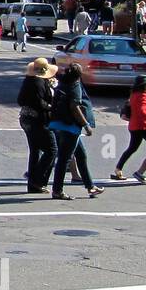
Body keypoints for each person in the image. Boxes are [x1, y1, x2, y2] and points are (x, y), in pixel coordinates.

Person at [48, 64, 104, 200]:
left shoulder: (62, 83)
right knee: (64, 159)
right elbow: (74, 106)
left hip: (57, 123)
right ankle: (57, 190)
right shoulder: (75, 85)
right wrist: (86, 124)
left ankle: (90, 186)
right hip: (70, 127)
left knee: (81, 155)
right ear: (79, 74)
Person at [110, 76, 146, 181]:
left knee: (132, 148)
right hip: (143, 126)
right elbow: (142, 112)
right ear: (143, 86)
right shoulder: (142, 97)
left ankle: (118, 170)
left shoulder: (135, 95)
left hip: (135, 126)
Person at [17, 57, 58, 194]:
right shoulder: (39, 83)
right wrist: (51, 106)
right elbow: (40, 103)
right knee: (52, 149)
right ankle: (37, 179)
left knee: (35, 151)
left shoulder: (28, 81)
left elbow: (20, 100)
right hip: (38, 120)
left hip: (26, 119)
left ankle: (33, 184)